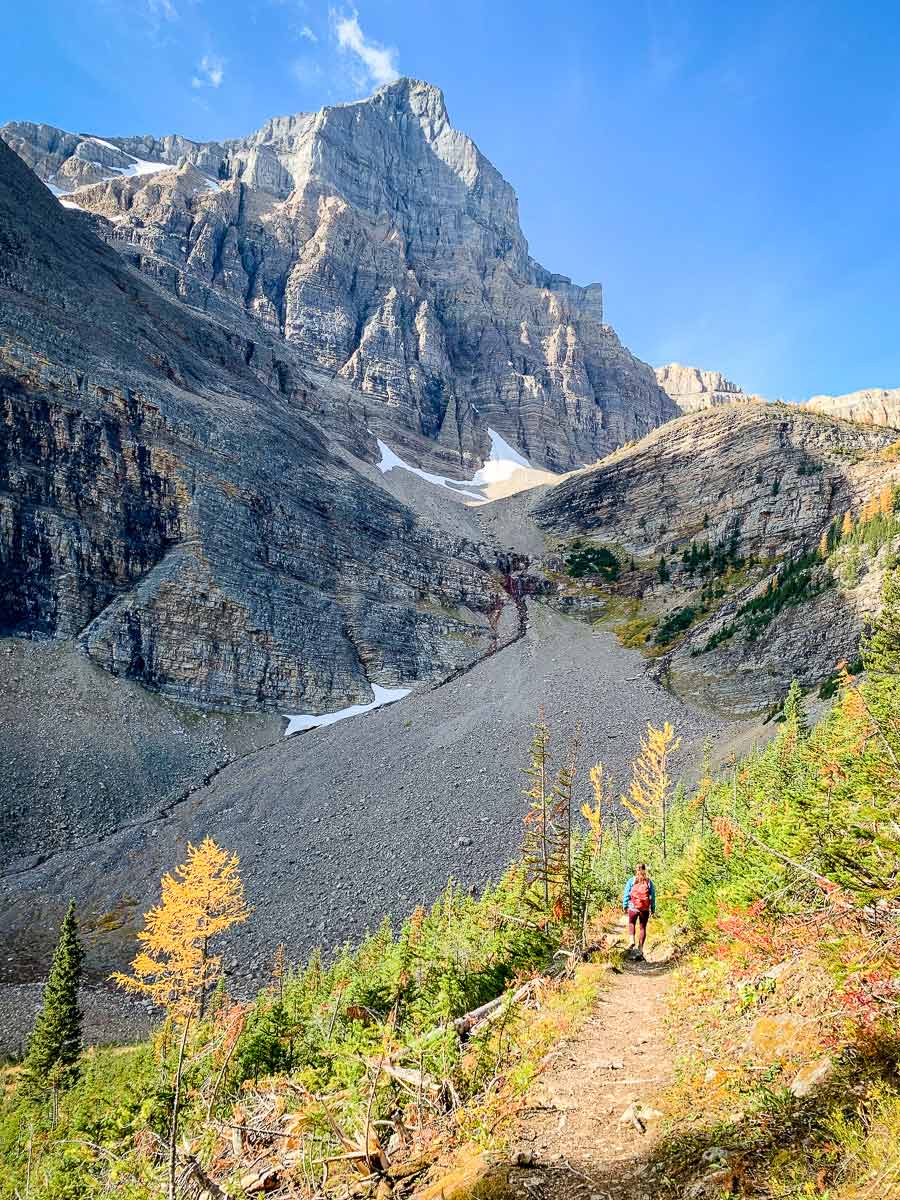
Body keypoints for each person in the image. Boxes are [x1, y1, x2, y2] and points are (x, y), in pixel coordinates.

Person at [622, 863, 656, 959]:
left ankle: (632, 940)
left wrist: (625, 905)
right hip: (644, 908)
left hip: (632, 907)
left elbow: (626, 894)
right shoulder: (649, 882)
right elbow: (652, 896)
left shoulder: (631, 880)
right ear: (645, 870)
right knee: (642, 928)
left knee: (631, 923)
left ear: (636, 870)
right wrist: (652, 908)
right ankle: (640, 948)